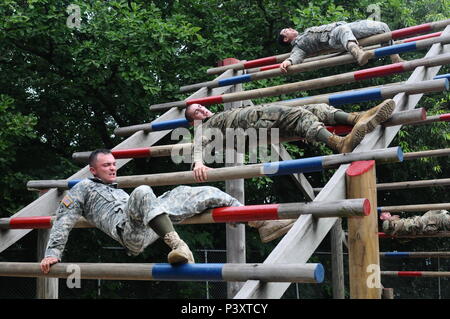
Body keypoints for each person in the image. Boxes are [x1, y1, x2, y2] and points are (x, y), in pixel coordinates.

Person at [185, 99, 395, 242]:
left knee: (315, 108)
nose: (202, 110)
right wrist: (199, 163)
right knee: (298, 115)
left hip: (259, 119)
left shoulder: (218, 115)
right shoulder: (205, 127)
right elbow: (198, 144)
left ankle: (356, 119)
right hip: (254, 123)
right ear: (194, 119)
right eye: (196, 111)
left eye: (201, 107)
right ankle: (339, 143)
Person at [40, 149, 241, 274]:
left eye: (113, 164)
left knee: (187, 192)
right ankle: (179, 246)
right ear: (93, 170)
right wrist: (52, 253)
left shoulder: (115, 188)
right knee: (143, 191)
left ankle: (257, 220)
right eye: (106, 165)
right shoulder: (83, 188)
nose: (112, 168)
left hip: (149, 220)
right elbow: (63, 220)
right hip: (129, 232)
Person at [278, 20, 404, 73]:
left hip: (347, 27)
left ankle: (395, 58)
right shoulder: (299, 46)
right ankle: (359, 54)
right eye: (286, 30)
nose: (289, 28)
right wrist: (288, 61)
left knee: (381, 26)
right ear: (285, 38)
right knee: (342, 29)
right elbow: (296, 56)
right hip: (335, 37)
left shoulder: (306, 31)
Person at [380, 210, 450, 236]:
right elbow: (387, 228)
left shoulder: (393, 221)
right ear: (381, 217)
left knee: (437, 210)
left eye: (388, 212)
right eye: (385, 213)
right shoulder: (386, 224)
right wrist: (390, 219)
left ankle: (446, 216)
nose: (388, 213)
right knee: (440, 218)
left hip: (418, 222)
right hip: (417, 225)